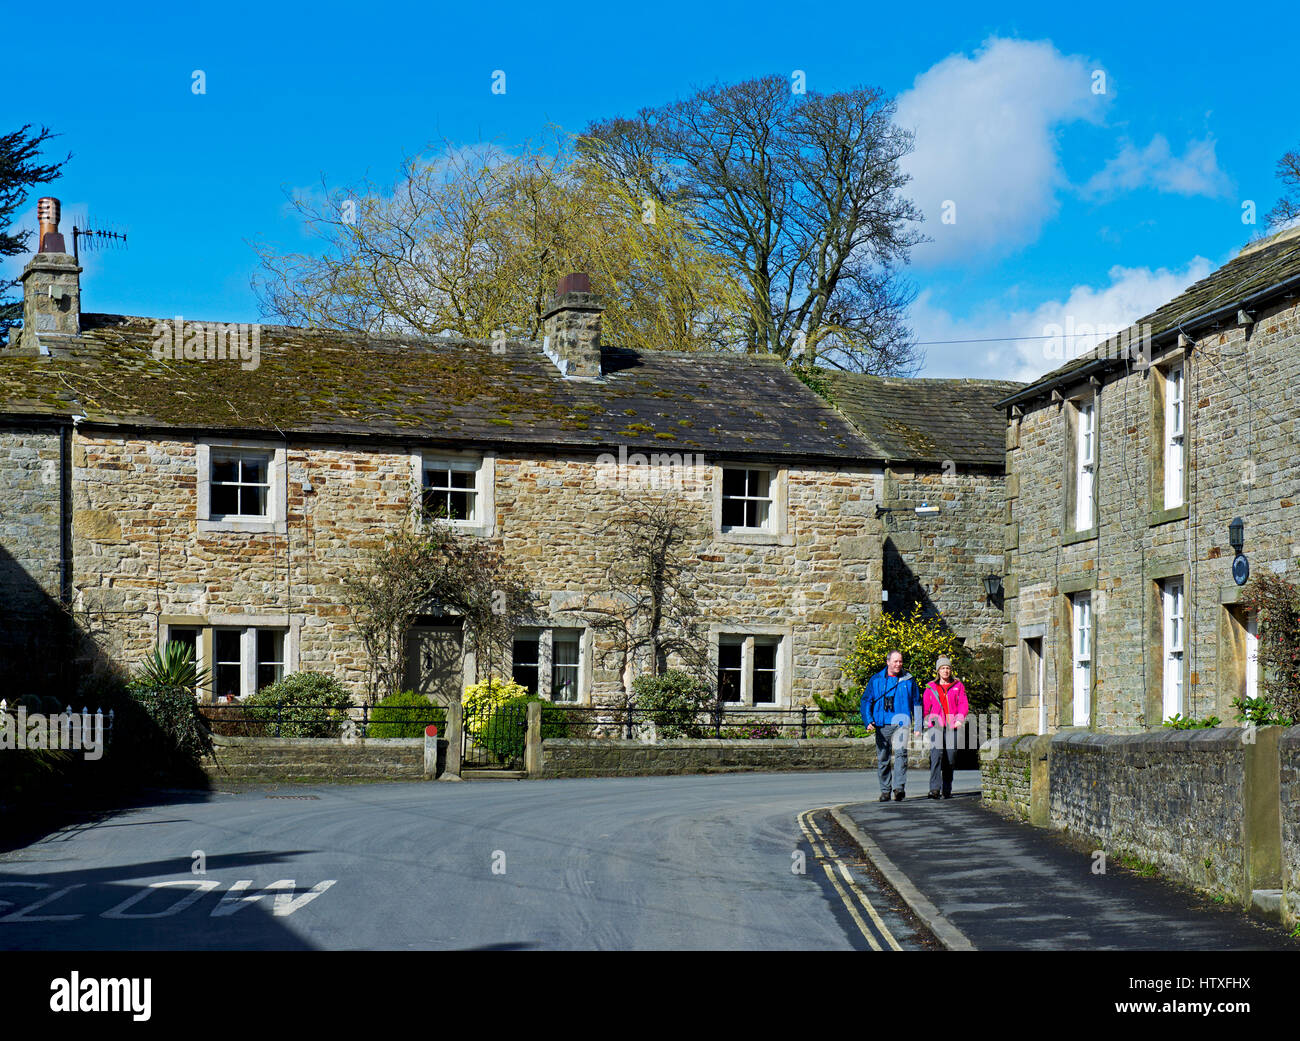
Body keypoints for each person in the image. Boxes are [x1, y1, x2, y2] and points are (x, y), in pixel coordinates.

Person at [859, 649, 921, 802]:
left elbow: (917, 702)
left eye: (900, 661)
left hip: (902, 722)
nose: (898, 664)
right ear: (888, 662)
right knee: (883, 758)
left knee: (901, 755)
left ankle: (899, 788)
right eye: (895, 661)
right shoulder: (876, 679)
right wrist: (868, 720)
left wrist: (918, 726)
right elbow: (866, 700)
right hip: (882, 723)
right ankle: (885, 790)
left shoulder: (909, 679)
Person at [922, 655, 969, 800]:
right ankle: (934, 789)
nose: (946, 671)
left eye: (948, 668)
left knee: (950, 757)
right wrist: (929, 721)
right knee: (936, 756)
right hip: (936, 726)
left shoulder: (958, 686)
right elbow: (925, 708)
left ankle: (947, 787)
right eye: (943, 668)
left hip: (952, 725)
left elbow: (963, 704)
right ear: (938, 671)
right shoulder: (931, 687)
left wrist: (960, 719)